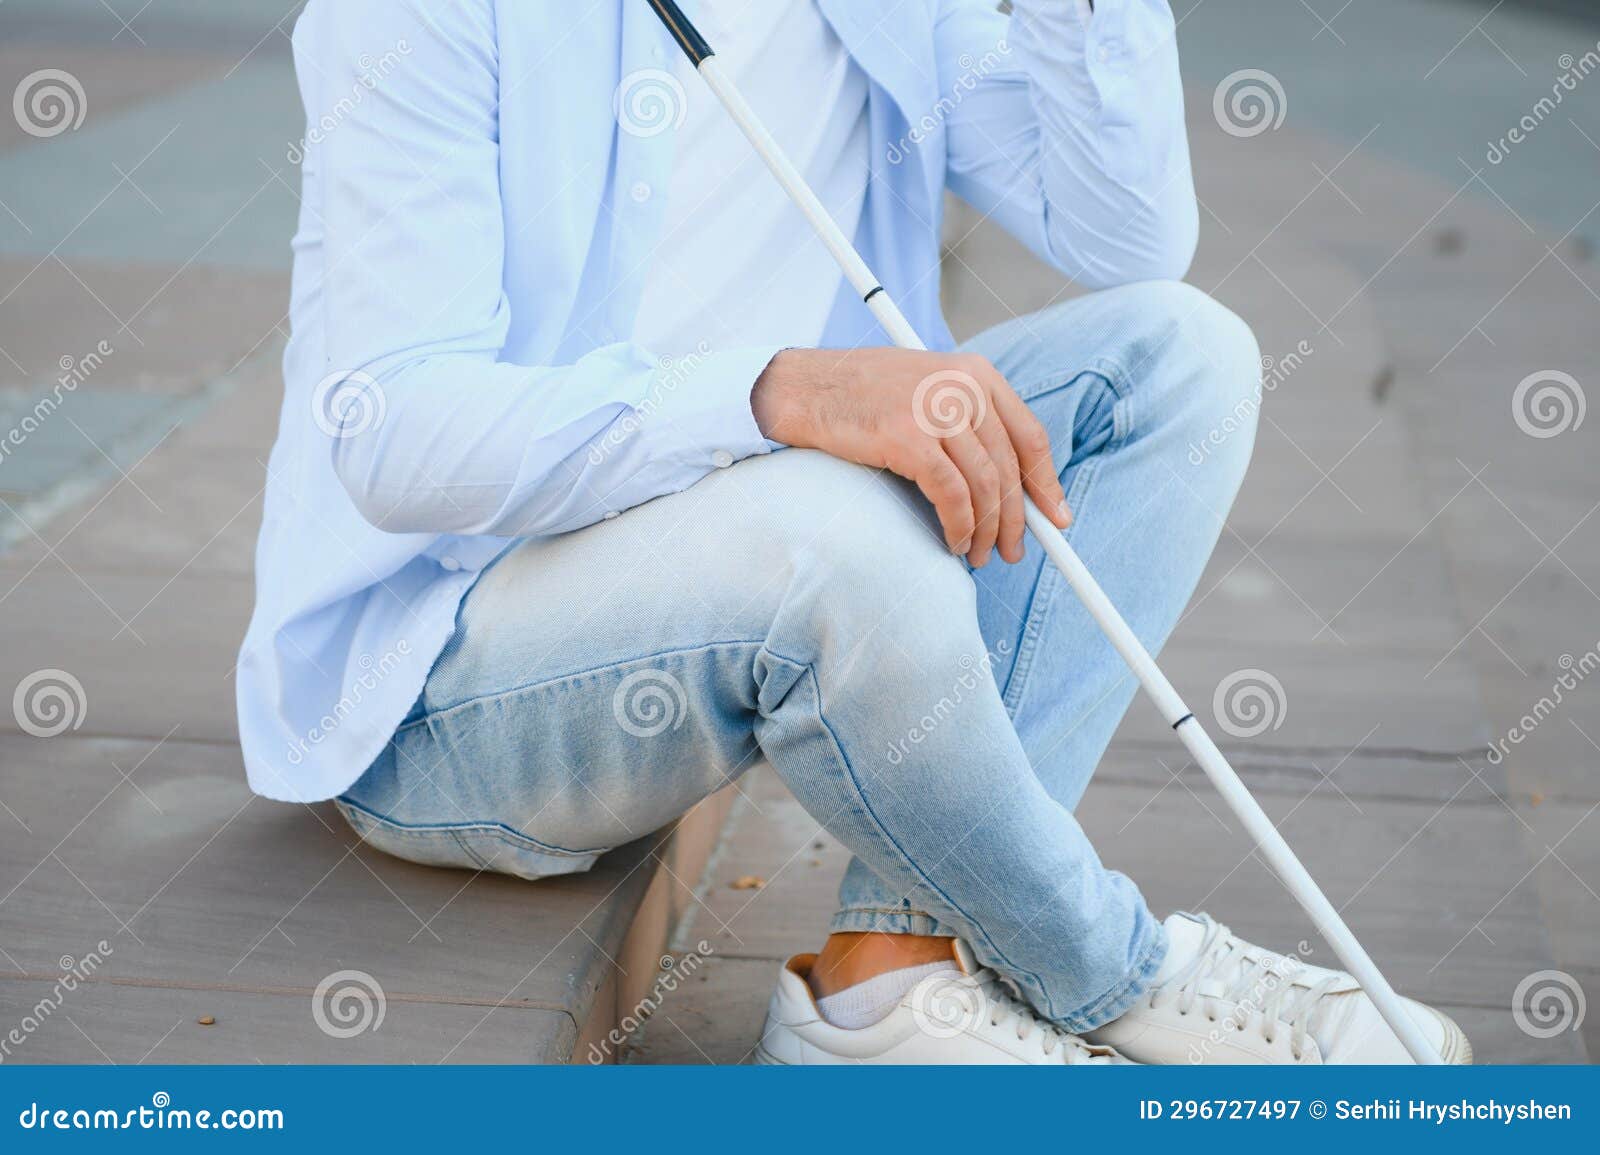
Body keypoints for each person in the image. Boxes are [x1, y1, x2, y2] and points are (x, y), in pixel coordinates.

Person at [237, 0, 1469, 1064]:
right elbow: (399, 429)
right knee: (830, 520)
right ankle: (1122, 967)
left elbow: (1124, 243)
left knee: (1181, 360)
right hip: (454, 689)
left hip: (768, 564)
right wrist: (780, 393)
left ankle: (888, 970)